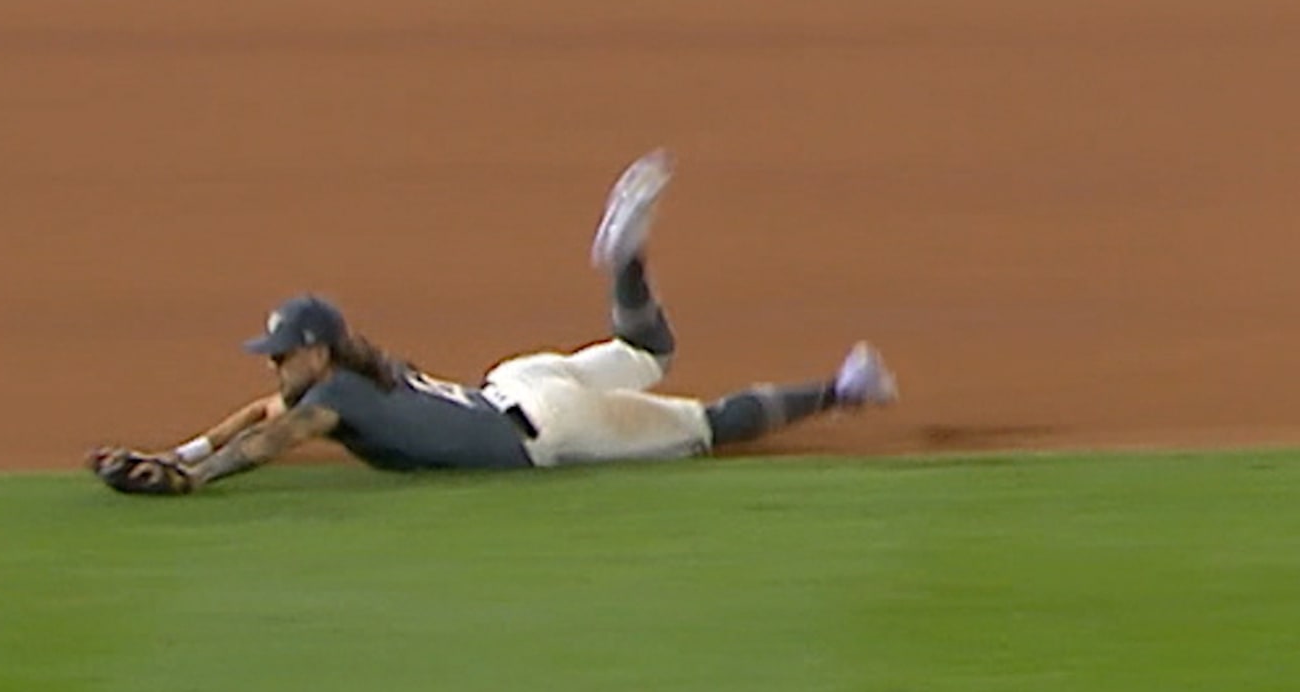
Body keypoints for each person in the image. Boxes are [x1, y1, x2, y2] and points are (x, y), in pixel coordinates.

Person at [90, 149, 898, 495]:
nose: (274, 368)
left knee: (709, 427)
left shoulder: (333, 400)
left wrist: (198, 478)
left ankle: (846, 385)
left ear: (315, 351)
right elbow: (262, 415)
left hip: (547, 426)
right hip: (522, 384)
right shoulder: (359, 372)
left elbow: (272, 438)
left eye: (281, 355)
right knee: (648, 349)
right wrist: (182, 453)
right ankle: (625, 261)